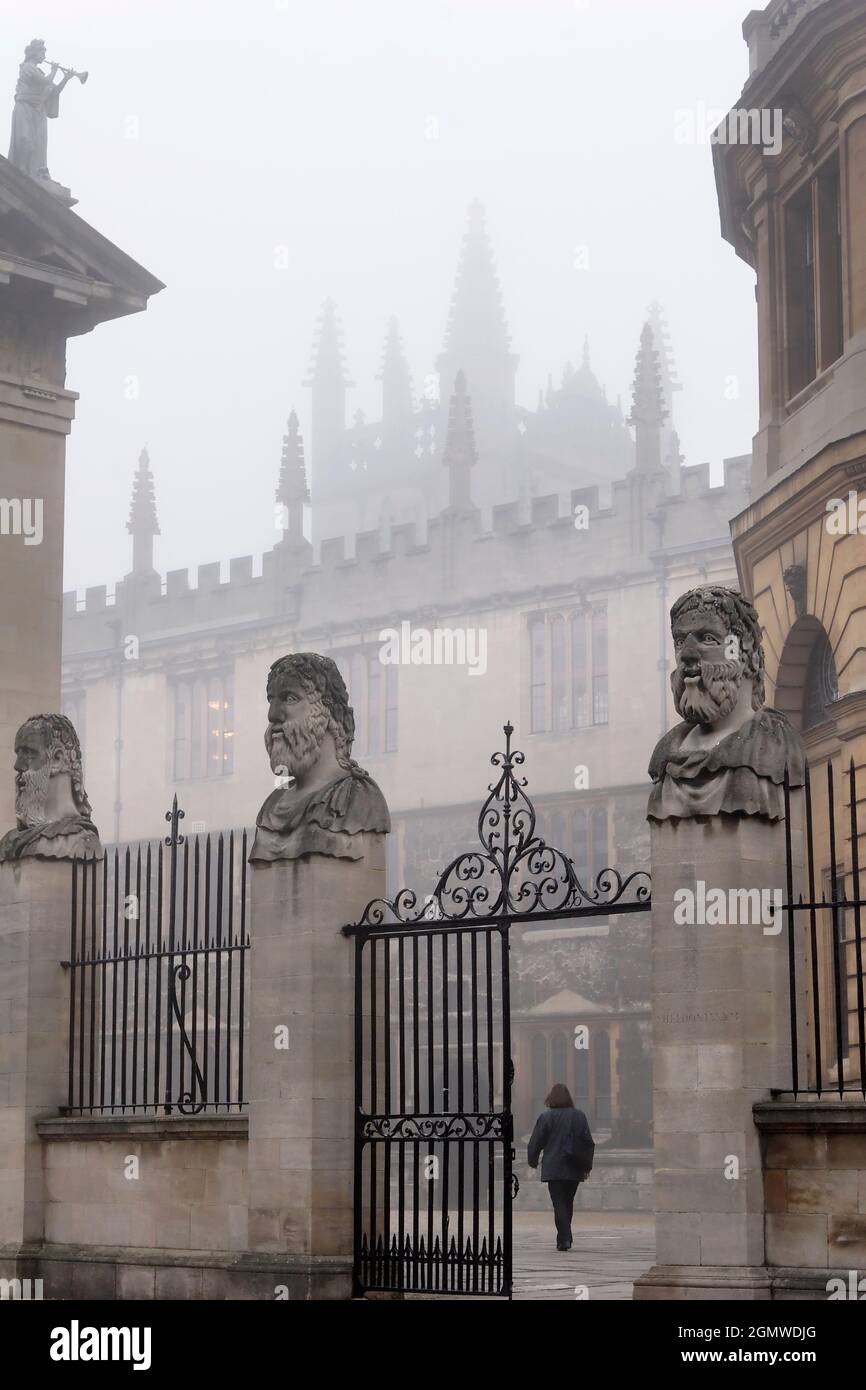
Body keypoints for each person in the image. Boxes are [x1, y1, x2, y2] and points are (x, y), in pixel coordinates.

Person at [527, 1083, 594, 1251]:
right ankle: (563, 1237)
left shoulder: (546, 1117)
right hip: (574, 1166)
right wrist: (587, 1166)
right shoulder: (579, 1116)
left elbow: (536, 1141)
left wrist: (532, 1160)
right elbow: (587, 1143)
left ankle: (565, 1238)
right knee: (567, 1202)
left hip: (554, 1166)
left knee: (558, 1203)